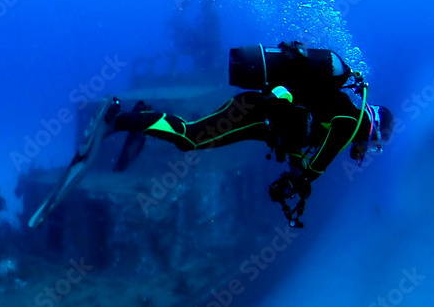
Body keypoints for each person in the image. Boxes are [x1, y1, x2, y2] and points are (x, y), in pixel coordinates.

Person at [30, 42, 393, 229]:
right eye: (374, 144)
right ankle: (120, 118)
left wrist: (298, 168)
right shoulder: (350, 121)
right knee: (191, 138)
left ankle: (135, 117)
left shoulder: (342, 111)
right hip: (255, 114)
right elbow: (319, 162)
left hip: (259, 117)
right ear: (373, 129)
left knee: (190, 138)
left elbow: (304, 138)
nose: (365, 151)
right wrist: (304, 180)